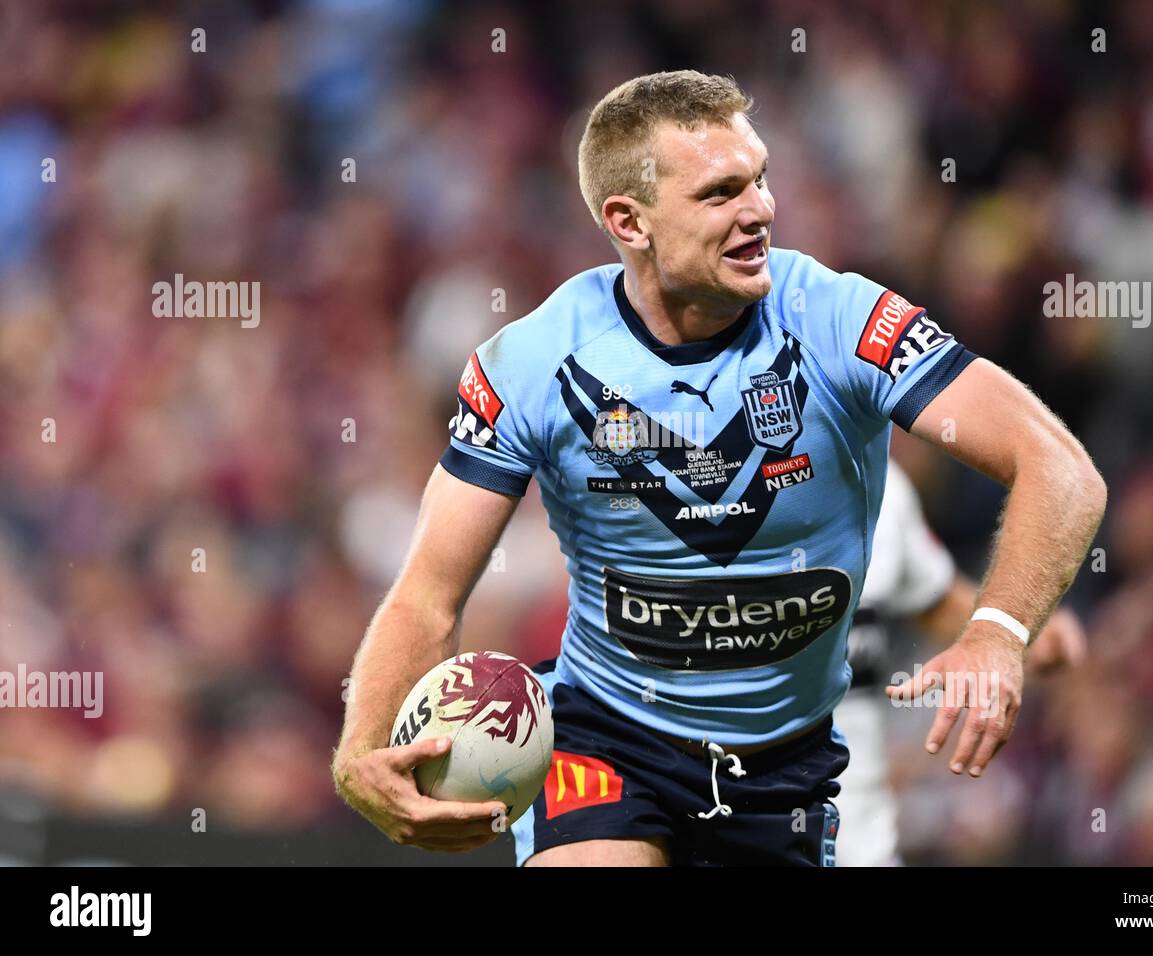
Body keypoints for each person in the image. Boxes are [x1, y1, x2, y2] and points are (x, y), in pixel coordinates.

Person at [331, 70, 1107, 866]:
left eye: (761, 178)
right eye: (720, 193)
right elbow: (428, 591)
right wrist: (361, 753)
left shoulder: (844, 323)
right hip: (606, 741)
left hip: (787, 773)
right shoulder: (530, 365)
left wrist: (998, 634)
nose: (760, 210)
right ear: (629, 222)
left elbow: (1059, 467)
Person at [834, 459, 1088, 866]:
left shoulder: (884, 488)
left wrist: (1019, 631)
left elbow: (936, 599)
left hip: (861, 840)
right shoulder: (706, 498)